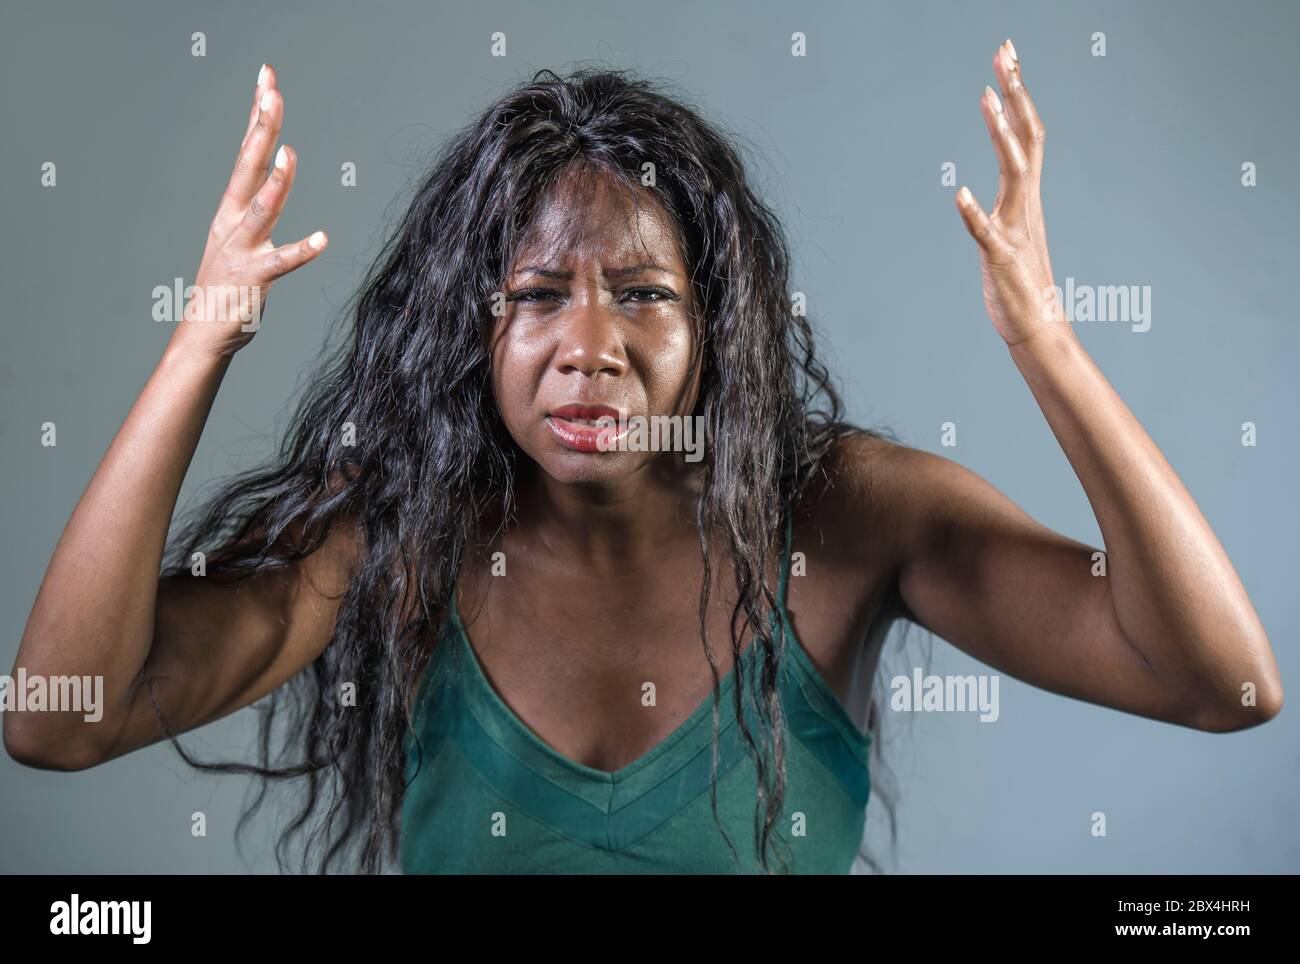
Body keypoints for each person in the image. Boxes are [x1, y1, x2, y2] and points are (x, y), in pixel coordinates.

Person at [5, 44, 1282, 875]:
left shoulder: (843, 516)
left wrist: (1050, 348)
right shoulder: (396, 536)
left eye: (642, 293)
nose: (589, 348)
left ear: (712, 328)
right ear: (474, 325)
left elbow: (1222, 683)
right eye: (537, 295)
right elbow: (60, 722)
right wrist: (197, 349)